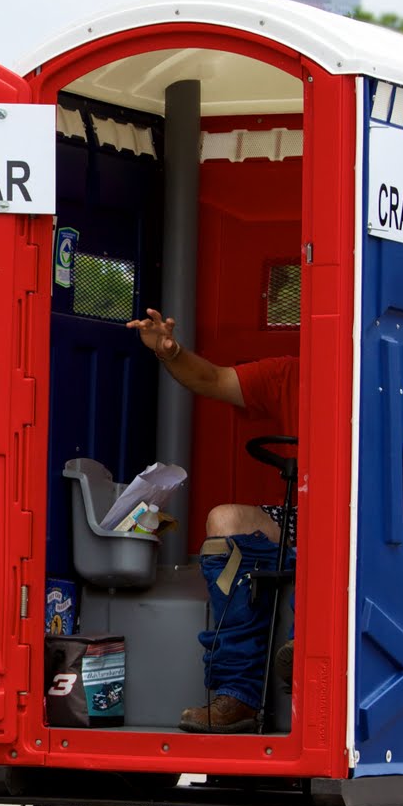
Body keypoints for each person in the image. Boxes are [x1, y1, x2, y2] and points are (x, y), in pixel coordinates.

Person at [127, 307, 298, 733]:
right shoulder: (291, 375)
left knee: (338, 528)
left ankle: (312, 647)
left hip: (361, 523)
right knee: (224, 521)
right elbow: (215, 379)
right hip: (301, 515)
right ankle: (237, 695)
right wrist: (170, 352)